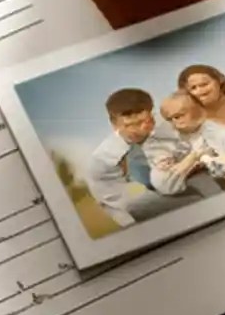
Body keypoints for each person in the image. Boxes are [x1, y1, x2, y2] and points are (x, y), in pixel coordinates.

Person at [85, 88, 200, 226]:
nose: (137, 130)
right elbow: (113, 199)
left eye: (142, 122)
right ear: (114, 123)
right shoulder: (104, 158)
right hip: (143, 202)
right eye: (128, 125)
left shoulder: (169, 125)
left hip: (185, 178)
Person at [146, 92, 223, 197]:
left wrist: (191, 159)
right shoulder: (169, 138)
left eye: (178, 116)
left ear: (196, 110)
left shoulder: (213, 127)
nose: (174, 122)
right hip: (179, 181)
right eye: (169, 119)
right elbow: (164, 179)